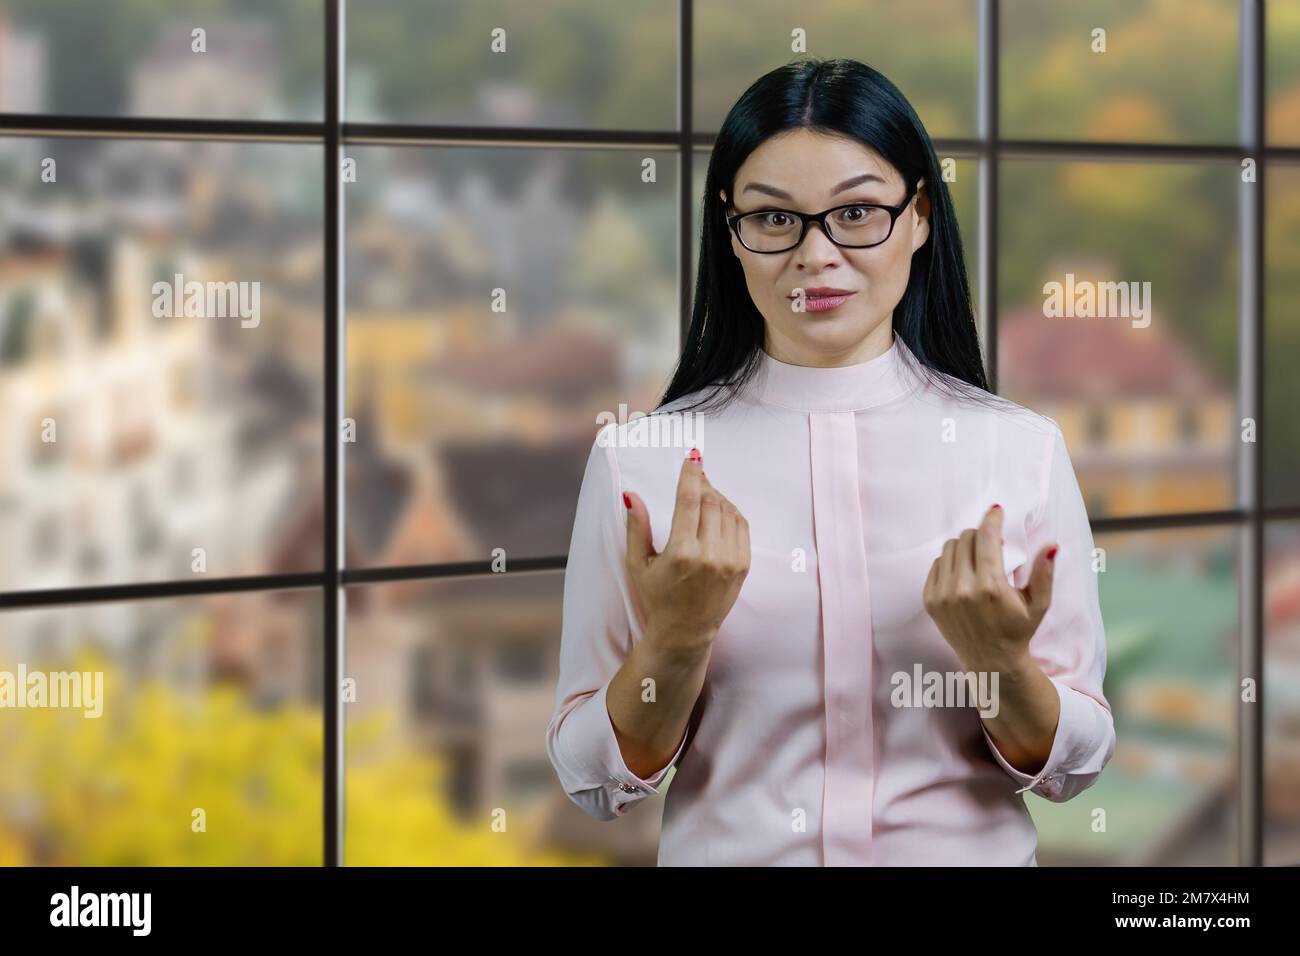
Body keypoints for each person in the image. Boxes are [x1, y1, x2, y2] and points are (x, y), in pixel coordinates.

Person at [545, 57, 1115, 866]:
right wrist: (675, 641)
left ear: (918, 215)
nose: (816, 256)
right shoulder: (637, 461)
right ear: (730, 230)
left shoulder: (1018, 449)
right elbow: (590, 780)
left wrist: (999, 664)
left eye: (856, 213)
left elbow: (1075, 767)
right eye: (775, 219)